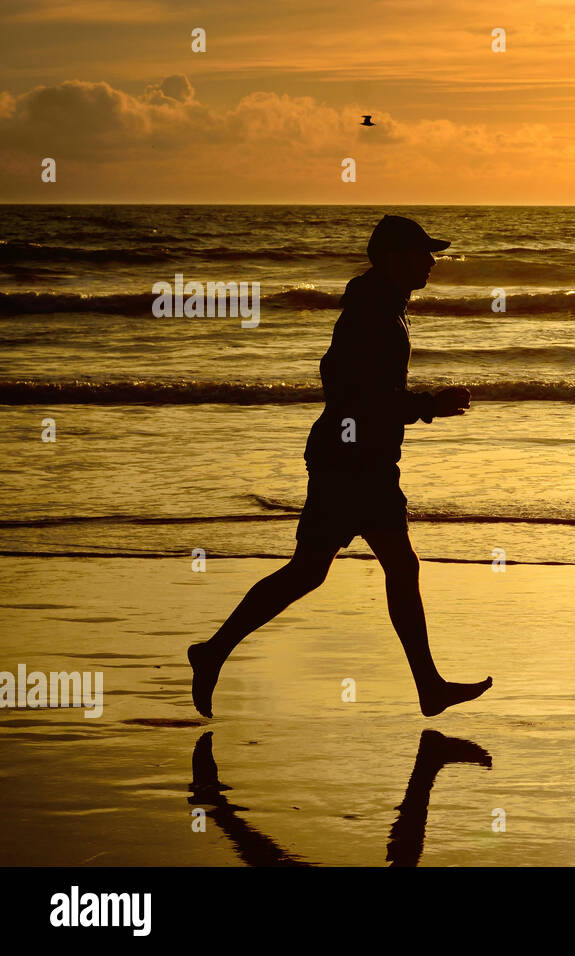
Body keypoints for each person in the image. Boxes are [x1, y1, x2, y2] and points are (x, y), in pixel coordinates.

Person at [188, 215, 492, 718]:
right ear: (395, 258)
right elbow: (356, 392)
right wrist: (425, 404)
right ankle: (428, 687)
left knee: (320, 571)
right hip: (353, 464)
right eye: (423, 253)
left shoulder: (382, 306)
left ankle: (214, 652)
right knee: (359, 569)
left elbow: (355, 388)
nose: (432, 262)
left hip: (355, 459)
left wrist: (418, 405)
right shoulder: (372, 313)